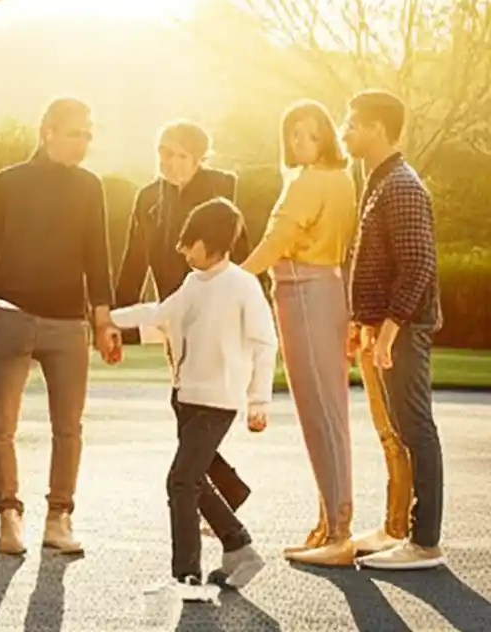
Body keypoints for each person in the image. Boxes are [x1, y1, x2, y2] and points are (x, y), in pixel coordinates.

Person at [0, 97, 119, 556]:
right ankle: (8, 515)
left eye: (88, 134)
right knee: (1, 426)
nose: (83, 142)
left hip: (68, 324)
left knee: (69, 427)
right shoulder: (8, 182)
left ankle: (58, 518)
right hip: (10, 315)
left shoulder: (89, 186)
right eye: (75, 133)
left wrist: (103, 320)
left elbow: (98, 255)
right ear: (48, 131)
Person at [108, 197, 276, 599]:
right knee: (194, 479)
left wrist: (259, 401)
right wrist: (107, 319)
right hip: (186, 397)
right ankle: (239, 549)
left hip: (218, 401)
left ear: (214, 240)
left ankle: (186, 577)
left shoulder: (242, 285)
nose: (183, 249)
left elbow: (265, 342)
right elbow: (158, 314)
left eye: (191, 241)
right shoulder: (191, 283)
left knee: (180, 481)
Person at [115, 120, 256, 524]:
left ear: (199, 159)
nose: (171, 162)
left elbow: (240, 253)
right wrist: (117, 321)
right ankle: (225, 491)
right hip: (175, 319)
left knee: (195, 409)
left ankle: (215, 497)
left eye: (181, 155)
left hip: (215, 314)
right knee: (186, 407)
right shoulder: (148, 198)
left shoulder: (220, 191)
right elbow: (134, 260)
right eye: (165, 153)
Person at [238, 100, 359, 566]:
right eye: (293, 134)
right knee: (326, 412)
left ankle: (339, 532)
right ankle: (329, 522)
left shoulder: (310, 182)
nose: (300, 142)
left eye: (310, 134)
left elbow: (277, 242)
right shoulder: (341, 179)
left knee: (321, 413)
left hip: (306, 293)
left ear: (326, 136)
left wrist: (231, 281)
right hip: (322, 290)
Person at [341, 89, 446, 570]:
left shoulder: (401, 185)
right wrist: (359, 320)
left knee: (415, 426)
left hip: (402, 329)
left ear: (378, 128)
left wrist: (388, 331)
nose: (345, 131)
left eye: (353, 123)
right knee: (403, 427)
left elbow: (418, 263)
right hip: (385, 326)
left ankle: (424, 542)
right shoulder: (380, 180)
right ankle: (400, 531)